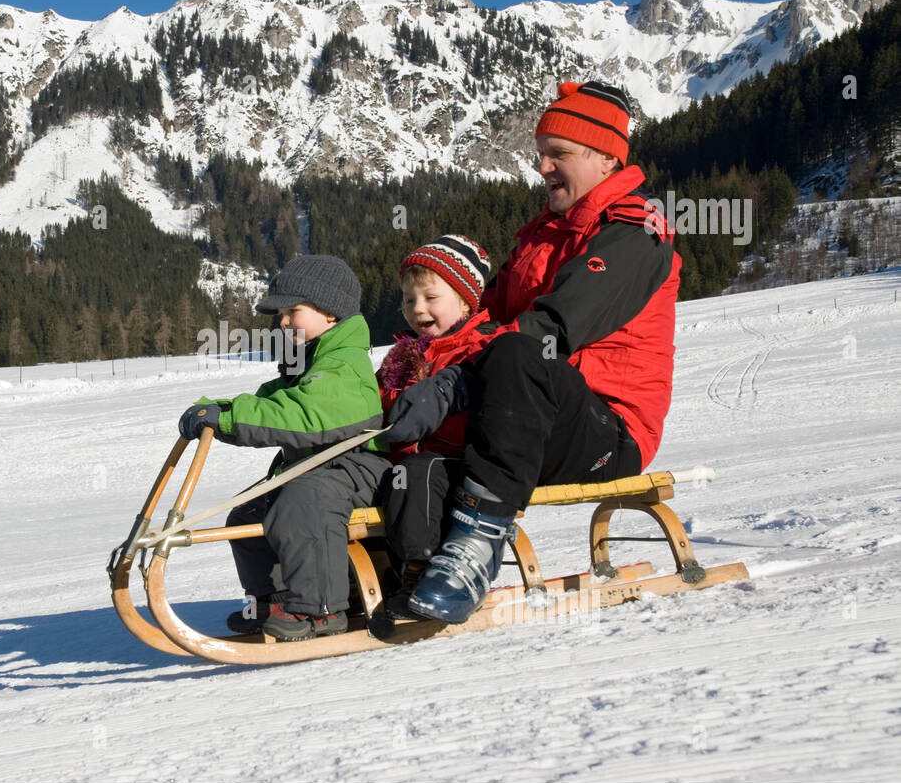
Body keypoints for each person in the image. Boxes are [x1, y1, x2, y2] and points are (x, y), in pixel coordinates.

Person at [382, 81, 680, 625]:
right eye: (540, 153)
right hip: (524, 420)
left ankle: (476, 547)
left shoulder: (635, 232)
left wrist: (459, 381)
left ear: (607, 156)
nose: (542, 167)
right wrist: (427, 370)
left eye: (558, 154)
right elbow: (483, 317)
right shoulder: (541, 234)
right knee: (417, 450)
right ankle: (389, 571)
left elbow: (554, 329)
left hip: (606, 429)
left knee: (520, 352)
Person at [177, 255, 388, 641]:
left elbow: (299, 415)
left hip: (355, 468)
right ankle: (271, 600)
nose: (284, 322)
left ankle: (319, 610)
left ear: (331, 314)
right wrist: (219, 411)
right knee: (249, 513)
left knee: (303, 504)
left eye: (293, 311)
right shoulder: (310, 362)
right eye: (282, 314)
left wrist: (227, 420)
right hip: (321, 468)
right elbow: (270, 399)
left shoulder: (344, 365)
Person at [373, 236, 493, 618]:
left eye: (430, 297)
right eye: (409, 300)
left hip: (457, 461)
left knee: (416, 473)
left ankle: (421, 573)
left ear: (464, 300)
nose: (417, 309)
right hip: (410, 459)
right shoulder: (402, 357)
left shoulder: (478, 348)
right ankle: (358, 583)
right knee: (376, 475)